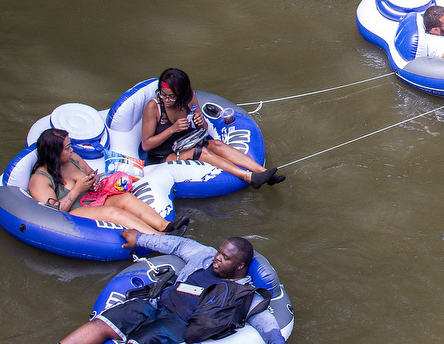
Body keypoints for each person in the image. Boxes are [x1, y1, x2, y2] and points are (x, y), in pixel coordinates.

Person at [59, 229, 285, 344]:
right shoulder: (204, 256)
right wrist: (139, 238)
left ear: (240, 266)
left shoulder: (245, 293)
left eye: (225, 258)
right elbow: (176, 244)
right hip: (156, 304)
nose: (217, 258)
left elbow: (267, 323)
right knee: (102, 324)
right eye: (219, 252)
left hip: (178, 324)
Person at [28, 128, 189, 236]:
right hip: (72, 212)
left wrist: (94, 180)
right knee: (113, 212)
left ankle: (165, 226)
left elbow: (91, 172)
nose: (71, 150)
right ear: (55, 152)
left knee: (126, 199)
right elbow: (52, 212)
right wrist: (77, 189)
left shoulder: (73, 159)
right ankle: (158, 237)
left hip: (92, 198)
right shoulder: (40, 179)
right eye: (67, 148)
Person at [142, 68, 284, 189]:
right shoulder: (154, 107)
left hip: (186, 143)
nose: (166, 100)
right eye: (163, 95)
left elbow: (203, 128)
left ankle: (265, 173)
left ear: (181, 94)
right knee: (202, 152)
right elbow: (146, 144)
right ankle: (249, 177)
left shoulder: (188, 99)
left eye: (171, 97)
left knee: (217, 144)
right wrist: (172, 129)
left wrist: (200, 121)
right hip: (163, 155)